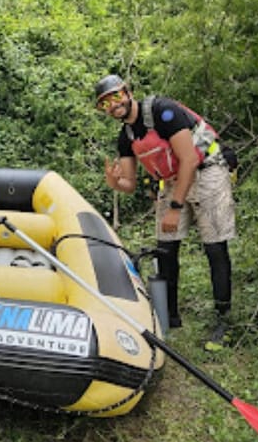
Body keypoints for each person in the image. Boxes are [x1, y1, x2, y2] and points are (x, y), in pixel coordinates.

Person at [95, 74, 236, 350]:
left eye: (115, 96)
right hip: (172, 179)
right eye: (104, 104)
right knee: (166, 249)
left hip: (207, 170)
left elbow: (190, 159)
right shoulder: (125, 137)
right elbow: (129, 183)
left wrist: (175, 207)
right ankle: (169, 317)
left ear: (127, 92)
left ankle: (224, 319)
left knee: (214, 247)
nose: (112, 105)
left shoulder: (163, 112)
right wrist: (113, 181)